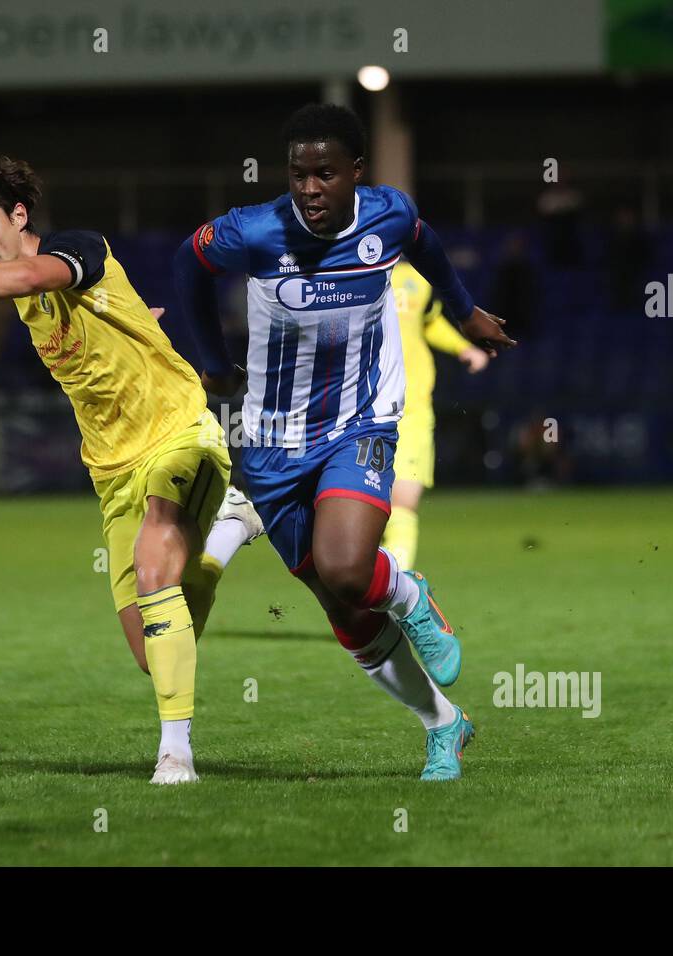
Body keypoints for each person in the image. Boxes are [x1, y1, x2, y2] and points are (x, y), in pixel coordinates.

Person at [0, 154, 262, 785]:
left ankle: (175, 755)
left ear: (18, 215)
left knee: (158, 562)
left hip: (181, 434)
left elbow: (30, 277)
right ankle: (227, 533)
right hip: (111, 470)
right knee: (148, 650)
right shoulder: (29, 305)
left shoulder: (77, 250)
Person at [172, 104, 517, 781]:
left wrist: (463, 307)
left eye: (325, 174)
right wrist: (210, 358)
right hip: (271, 445)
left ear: (356, 173)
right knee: (344, 610)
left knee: (349, 570)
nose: (309, 189)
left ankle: (412, 597)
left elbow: (425, 241)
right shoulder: (257, 230)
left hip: (359, 423)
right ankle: (445, 724)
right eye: (298, 175)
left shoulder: (386, 217)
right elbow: (189, 259)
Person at [382, 260, 488, 572]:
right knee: (367, 505)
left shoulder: (419, 277)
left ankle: (394, 589)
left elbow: (428, 321)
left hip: (412, 404)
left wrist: (462, 348)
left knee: (403, 501)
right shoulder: (347, 270)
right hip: (360, 406)